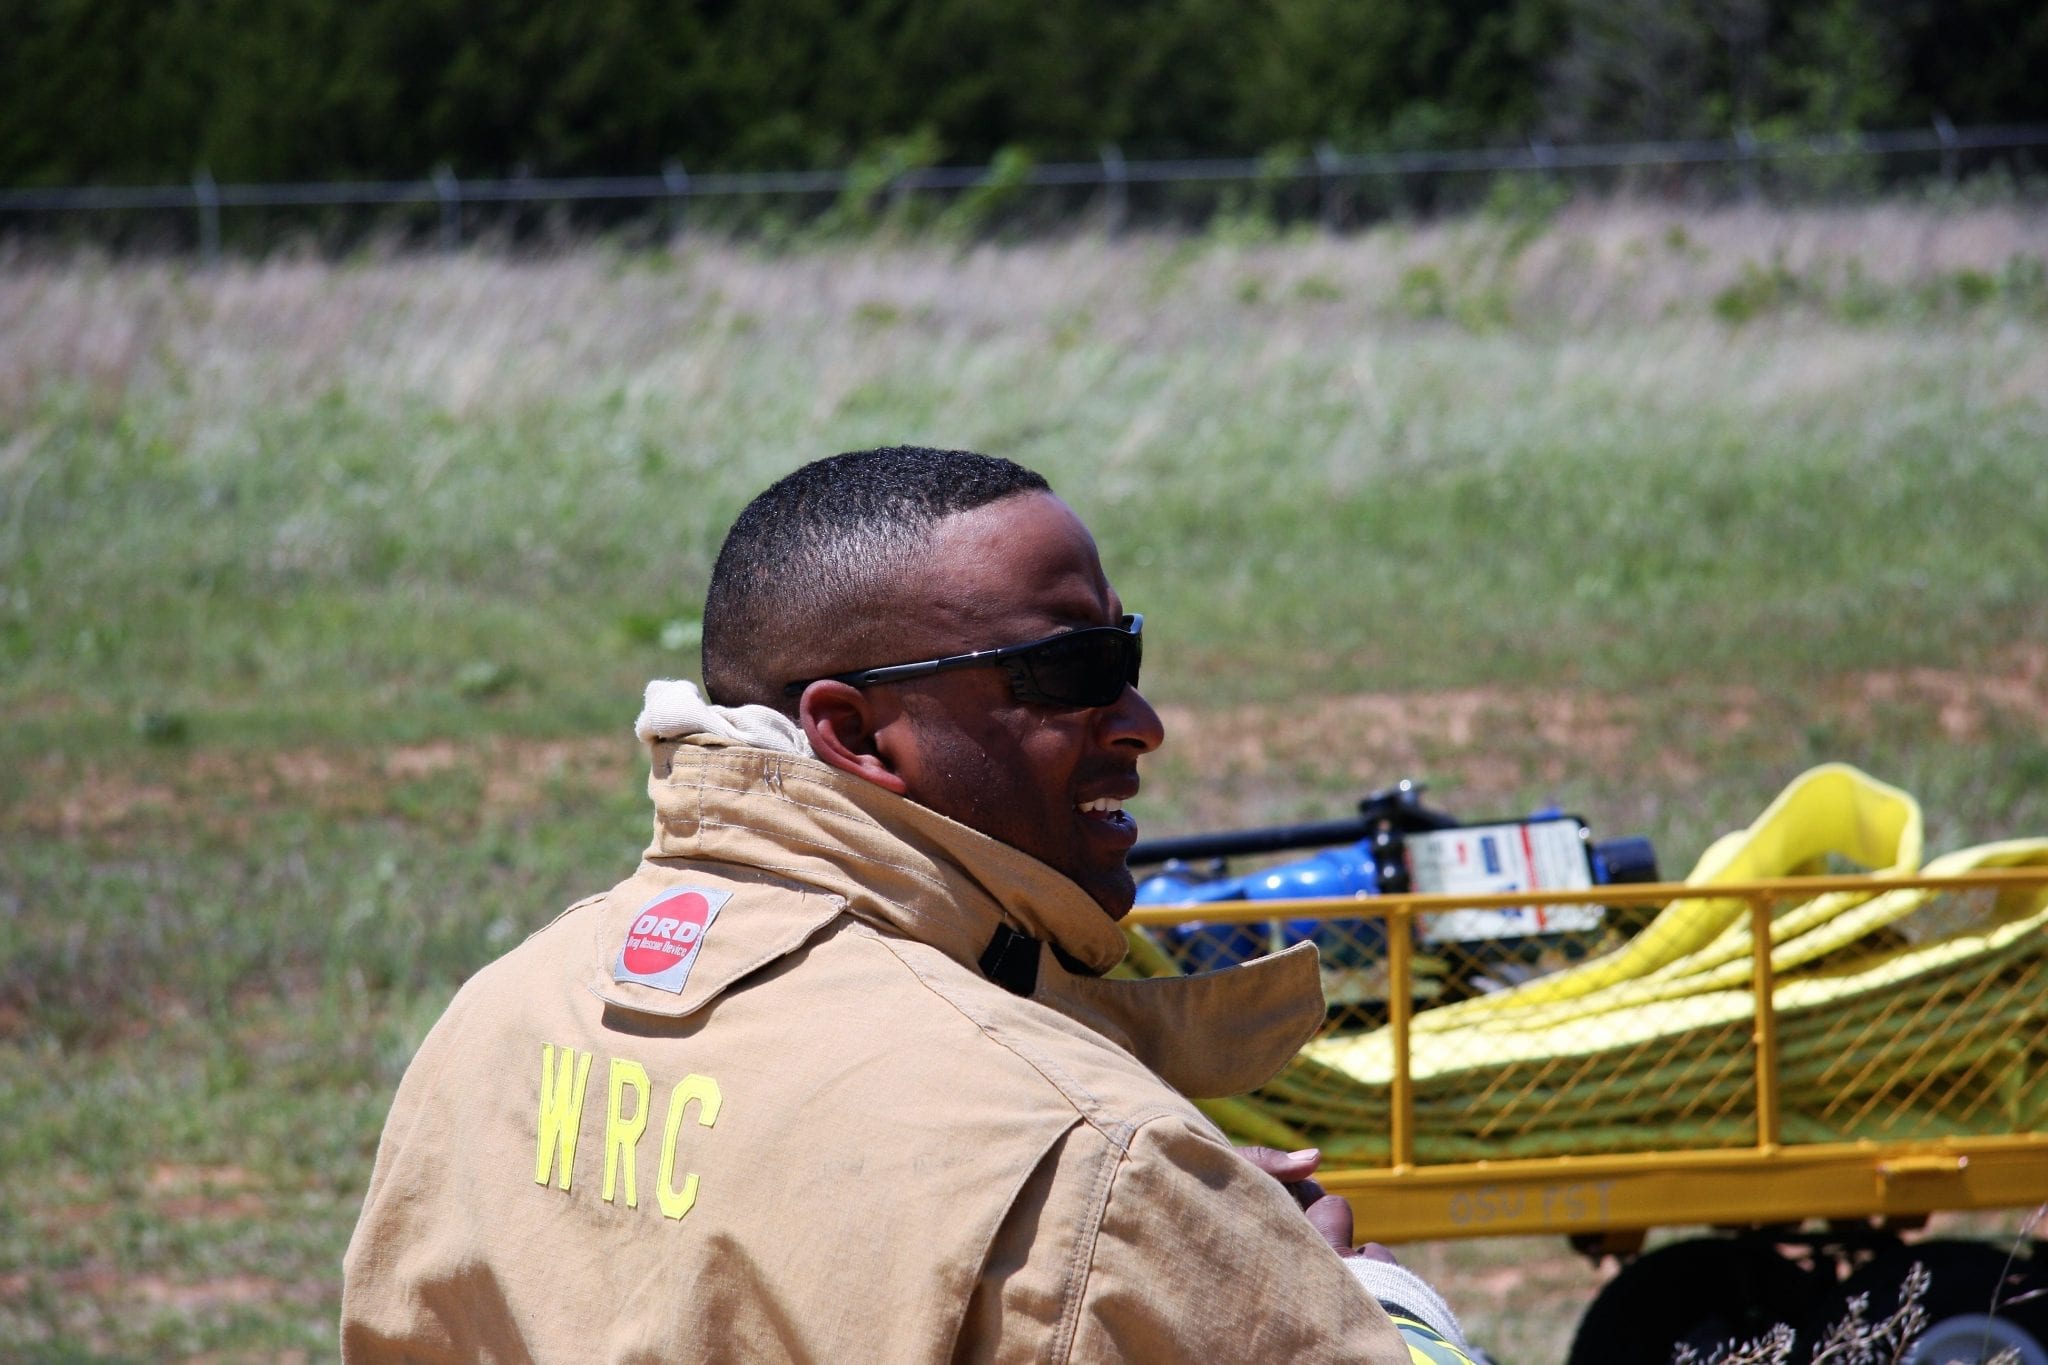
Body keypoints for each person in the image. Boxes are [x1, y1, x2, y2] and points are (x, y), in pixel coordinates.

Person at [341, 446, 1475, 1362]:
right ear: (851, 733)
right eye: (1069, 671)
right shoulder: (1097, 1169)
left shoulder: (495, 1023)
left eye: (1125, 652)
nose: (1139, 721)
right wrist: (1346, 1291)